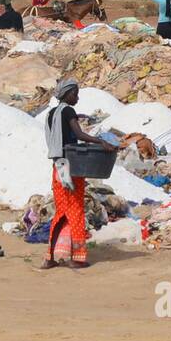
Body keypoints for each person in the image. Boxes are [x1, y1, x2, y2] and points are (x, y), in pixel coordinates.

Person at [40, 78, 119, 270]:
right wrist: (101, 142)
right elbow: (80, 134)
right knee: (75, 209)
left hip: (58, 166)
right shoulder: (68, 111)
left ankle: (49, 257)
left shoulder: (51, 113)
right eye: (75, 93)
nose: (77, 96)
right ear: (66, 94)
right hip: (71, 165)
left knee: (61, 211)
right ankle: (77, 257)